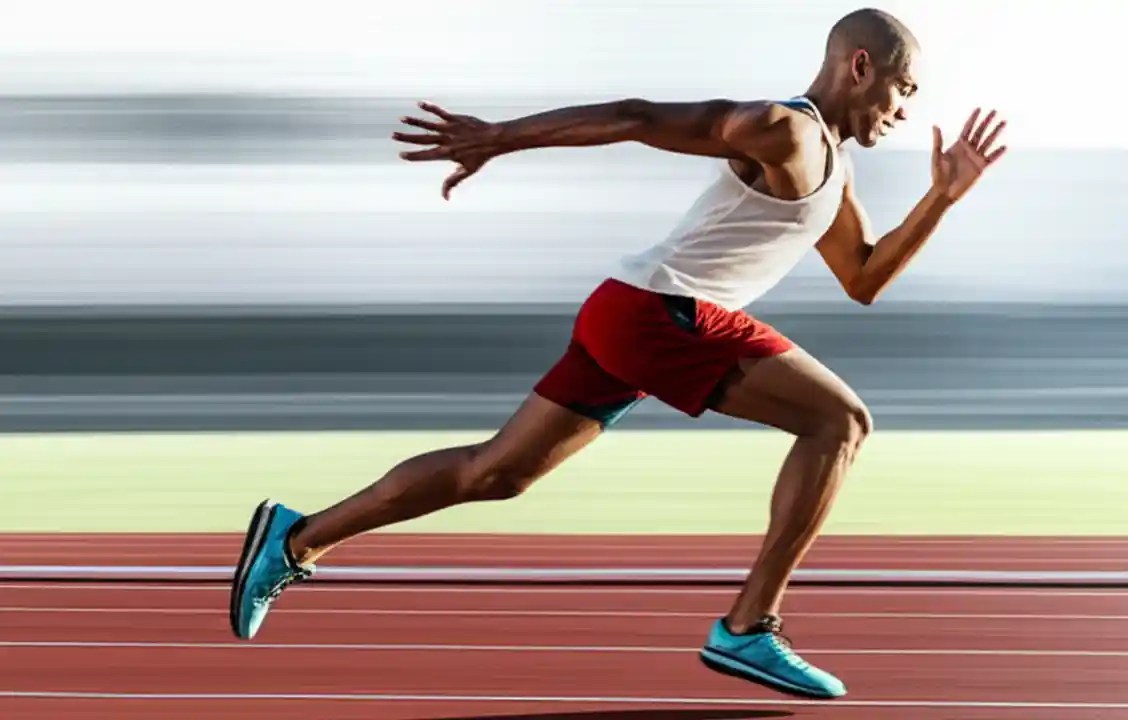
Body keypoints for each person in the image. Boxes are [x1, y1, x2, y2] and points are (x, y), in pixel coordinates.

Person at [228, 7, 1007, 700]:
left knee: (495, 473)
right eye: (904, 89)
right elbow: (637, 115)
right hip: (656, 313)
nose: (906, 110)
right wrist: (501, 138)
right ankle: (748, 628)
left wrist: (942, 196)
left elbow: (864, 277)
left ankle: (296, 537)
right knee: (841, 422)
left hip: (632, 313)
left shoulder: (831, 171)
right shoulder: (787, 127)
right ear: (860, 66)